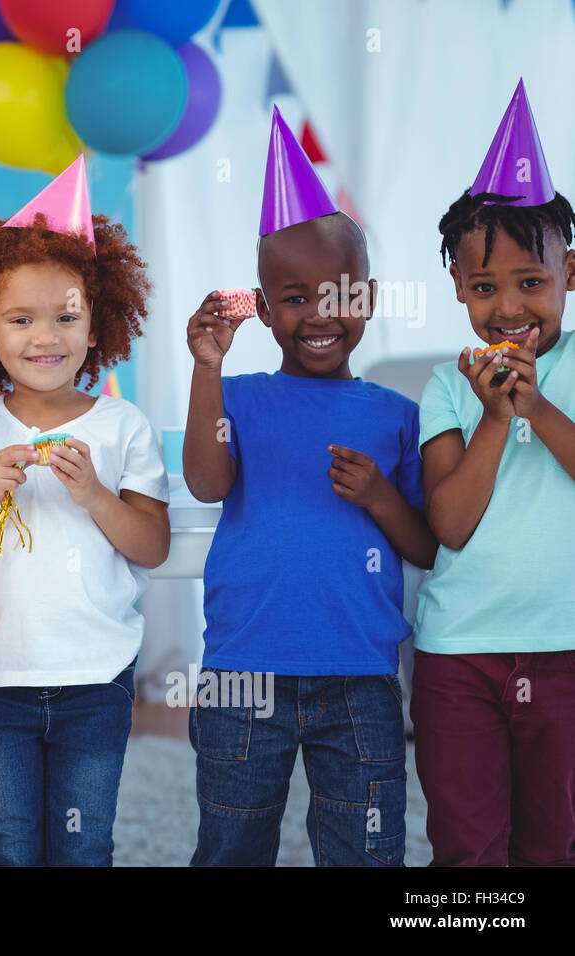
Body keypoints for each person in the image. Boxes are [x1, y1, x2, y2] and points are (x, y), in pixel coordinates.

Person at [182, 108, 436, 867]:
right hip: (243, 669)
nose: (319, 315)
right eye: (294, 298)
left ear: (369, 297)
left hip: (359, 675)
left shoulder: (397, 416)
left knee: (365, 849)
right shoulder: (243, 396)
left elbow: (428, 544)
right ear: (261, 309)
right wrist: (205, 367)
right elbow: (205, 480)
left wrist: (382, 498)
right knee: (232, 842)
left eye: (338, 294)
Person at [0, 157, 170, 866]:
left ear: (97, 325)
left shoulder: (123, 426)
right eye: (21, 319)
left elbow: (150, 545)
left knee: (84, 843)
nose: (45, 336)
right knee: (5, 842)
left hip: (97, 673)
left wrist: (95, 494)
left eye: (66, 316)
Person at [415, 80, 575, 866]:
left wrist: (537, 410)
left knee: (555, 841)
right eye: (484, 288)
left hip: (568, 647)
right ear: (457, 288)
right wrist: (493, 417)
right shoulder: (449, 386)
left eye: (530, 283)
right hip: (460, 656)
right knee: (468, 845)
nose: (508, 308)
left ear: (570, 274)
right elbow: (448, 524)